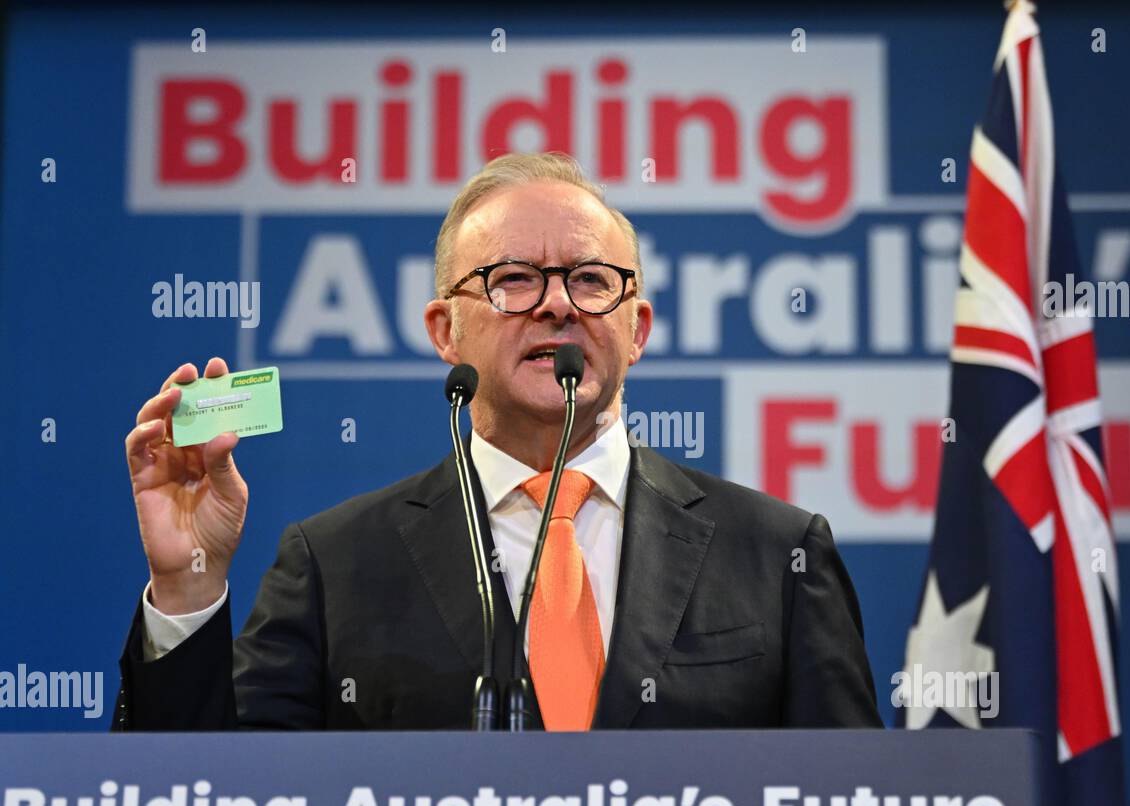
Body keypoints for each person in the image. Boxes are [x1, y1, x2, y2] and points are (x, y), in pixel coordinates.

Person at [116, 151, 882, 732]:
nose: (556, 305)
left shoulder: (779, 554)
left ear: (637, 328)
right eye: (513, 278)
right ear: (444, 330)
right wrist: (188, 583)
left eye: (590, 280)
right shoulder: (334, 564)